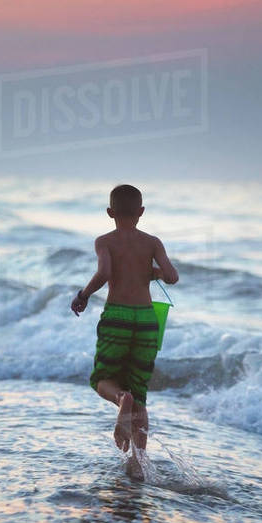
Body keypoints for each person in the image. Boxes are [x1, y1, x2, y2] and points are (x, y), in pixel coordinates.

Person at [71, 184, 178, 458]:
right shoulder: (153, 242)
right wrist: (152, 272)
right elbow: (172, 276)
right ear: (141, 212)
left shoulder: (104, 241)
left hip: (117, 317)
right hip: (146, 320)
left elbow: (104, 272)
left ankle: (121, 398)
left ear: (110, 212)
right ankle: (138, 464)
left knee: (102, 379)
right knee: (140, 393)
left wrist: (83, 295)